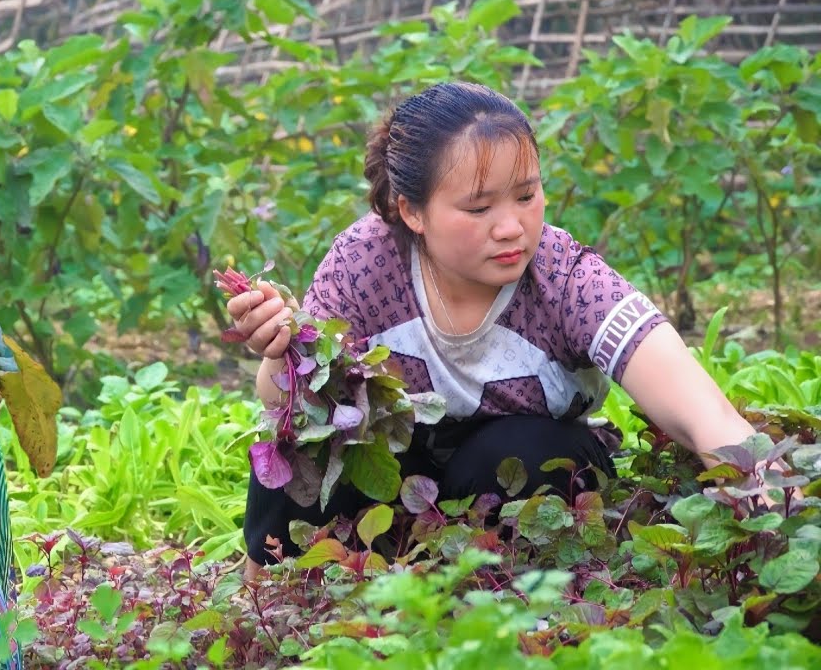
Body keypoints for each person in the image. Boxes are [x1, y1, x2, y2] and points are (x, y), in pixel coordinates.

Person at [226, 81, 763, 580]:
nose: (511, 228)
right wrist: (281, 350)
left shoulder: (565, 276)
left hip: (525, 479)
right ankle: (271, 601)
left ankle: (511, 601)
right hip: (400, 486)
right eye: (479, 207)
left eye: (526, 196)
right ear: (412, 212)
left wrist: (773, 517)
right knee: (309, 446)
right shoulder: (366, 262)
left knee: (519, 450)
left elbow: (704, 416)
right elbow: (291, 405)